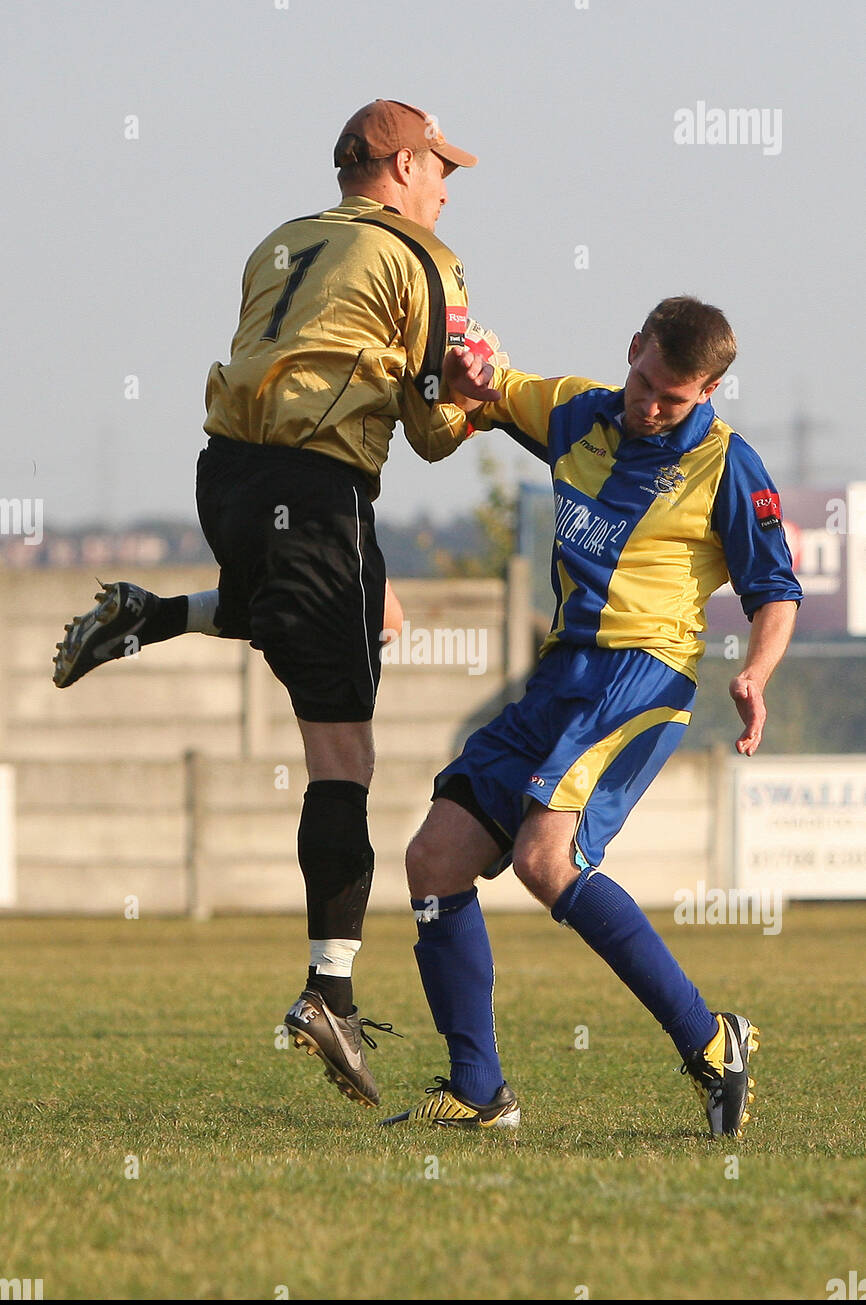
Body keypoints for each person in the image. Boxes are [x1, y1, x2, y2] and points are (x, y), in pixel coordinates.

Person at [51, 100, 499, 1110]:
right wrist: (475, 395)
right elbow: (430, 432)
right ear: (394, 164)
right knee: (346, 757)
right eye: (439, 165)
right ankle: (328, 990)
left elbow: (310, 361)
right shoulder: (424, 260)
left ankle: (149, 615)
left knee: (313, 614)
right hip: (315, 485)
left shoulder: (283, 240)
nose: (447, 185)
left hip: (226, 477)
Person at [384, 296, 802, 1138]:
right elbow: (494, 391)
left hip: (641, 680)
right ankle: (478, 1090)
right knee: (432, 859)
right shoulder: (579, 411)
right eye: (645, 380)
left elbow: (775, 591)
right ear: (634, 347)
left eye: (674, 398)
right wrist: (469, 377)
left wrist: (756, 672)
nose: (650, 405)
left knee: (545, 858)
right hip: (559, 678)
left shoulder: (728, 466)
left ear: (710, 391)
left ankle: (712, 1042)